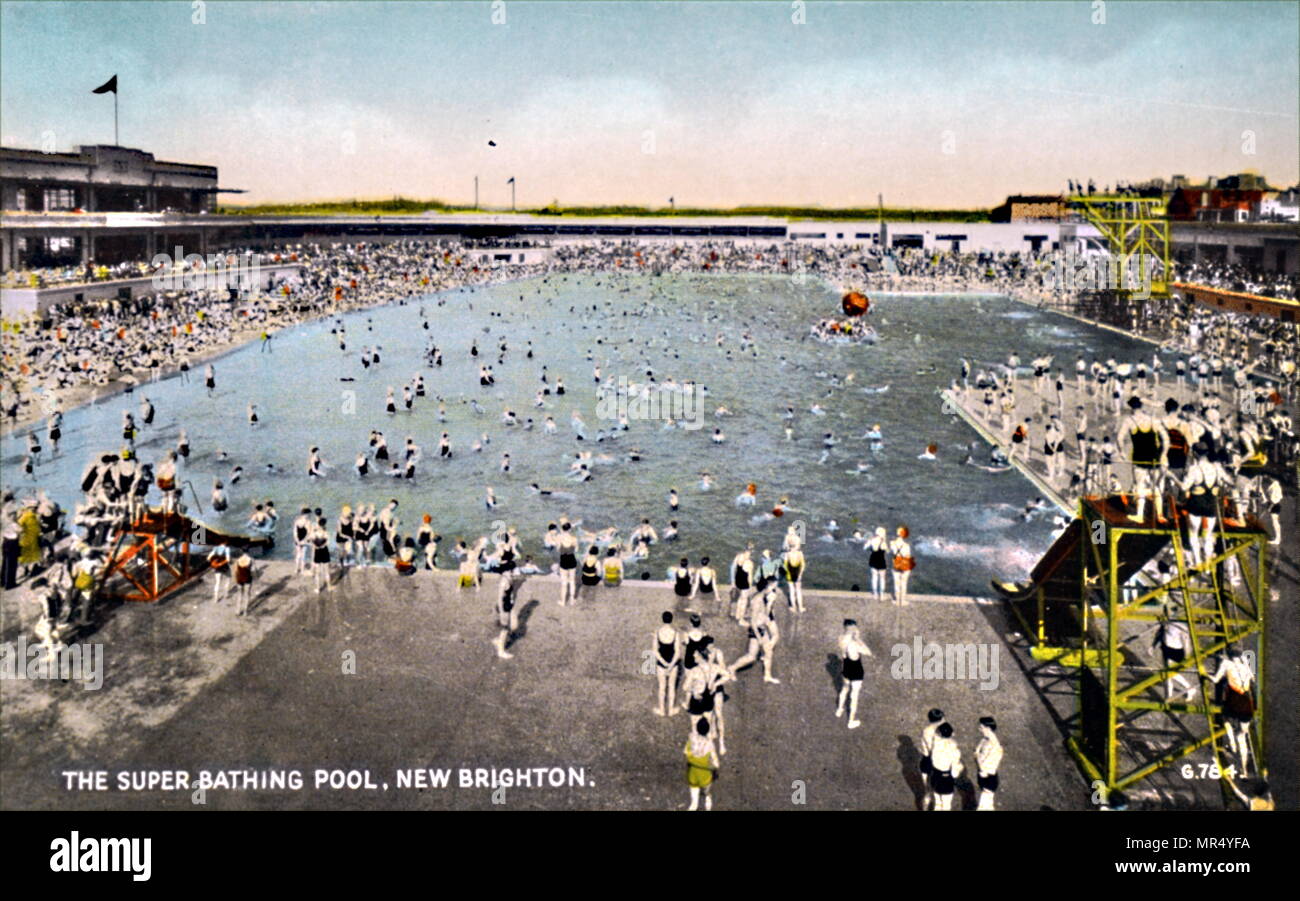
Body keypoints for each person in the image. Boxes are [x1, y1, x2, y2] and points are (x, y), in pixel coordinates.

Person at [1208, 648, 1256, 775]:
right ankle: (1244, 770)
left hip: (1233, 701)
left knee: (1226, 719)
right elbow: (1252, 678)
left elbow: (1215, 680)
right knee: (1242, 736)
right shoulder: (1246, 667)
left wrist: (1205, 675)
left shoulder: (1226, 664)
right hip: (1246, 703)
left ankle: (1231, 741)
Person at [835, 619, 873, 729]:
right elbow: (868, 652)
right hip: (856, 669)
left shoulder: (841, 638)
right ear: (852, 628)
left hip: (845, 667)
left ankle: (839, 709)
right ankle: (851, 721)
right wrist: (859, 639)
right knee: (854, 695)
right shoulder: (854, 644)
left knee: (845, 688)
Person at [684, 717, 720, 811]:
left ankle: (694, 804)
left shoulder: (691, 739)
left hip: (693, 772)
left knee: (694, 790)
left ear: (697, 728)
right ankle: (708, 801)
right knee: (706, 790)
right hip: (705, 774)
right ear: (708, 730)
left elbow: (685, 752)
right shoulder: (709, 744)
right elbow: (716, 763)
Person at [929, 722, 964, 811]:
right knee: (946, 805)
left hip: (935, 775)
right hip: (946, 778)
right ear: (952, 733)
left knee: (937, 803)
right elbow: (955, 772)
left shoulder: (936, 744)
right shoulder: (954, 749)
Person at [653, 611, 681, 716]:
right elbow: (677, 652)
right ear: (671, 619)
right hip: (673, 663)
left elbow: (655, 651)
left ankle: (661, 710)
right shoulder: (675, 633)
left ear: (662, 619)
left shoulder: (658, 632)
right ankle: (671, 709)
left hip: (661, 663)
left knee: (662, 687)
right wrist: (670, 665)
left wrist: (663, 663)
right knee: (672, 687)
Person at [974, 716, 1002, 811]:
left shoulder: (995, 746)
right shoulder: (985, 739)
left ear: (988, 728)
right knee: (988, 806)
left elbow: (983, 768)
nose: (979, 729)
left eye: (981, 727)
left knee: (983, 807)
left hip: (988, 780)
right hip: (984, 778)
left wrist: (977, 757)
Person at [919, 708, 945, 811]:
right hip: (932, 762)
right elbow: (933, 750)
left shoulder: (928, 730)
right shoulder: (931, 732)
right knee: (935, 794)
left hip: (927, 762)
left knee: (929, 792)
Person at [494, 570, 522, 659]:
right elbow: (500, 597)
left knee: (514, 626)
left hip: (509, 605)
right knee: (505, 629)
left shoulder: (509, 578)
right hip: (504, 606)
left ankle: (499, 641)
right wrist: (501, 610)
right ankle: (501, 651)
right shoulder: (504, 580)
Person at [890, 526, 915, 606]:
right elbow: (908, 556)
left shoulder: (892, 543)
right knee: (903, 583)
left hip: (895, 565)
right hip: (904, 566)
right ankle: (902, 601)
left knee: (896, 583)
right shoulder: (906, 545)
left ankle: (897, 601)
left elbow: (891, 553)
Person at [232, 552, 255, 616]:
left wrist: (236, 579)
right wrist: (255, 577)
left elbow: (236, 571)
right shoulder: (251, 560)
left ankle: (238, 610)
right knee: (247, 595)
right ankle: (245, 611)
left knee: (240, 594)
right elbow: (253, 570)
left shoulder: (238, 559)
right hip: (247, 578)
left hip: (240, 579)